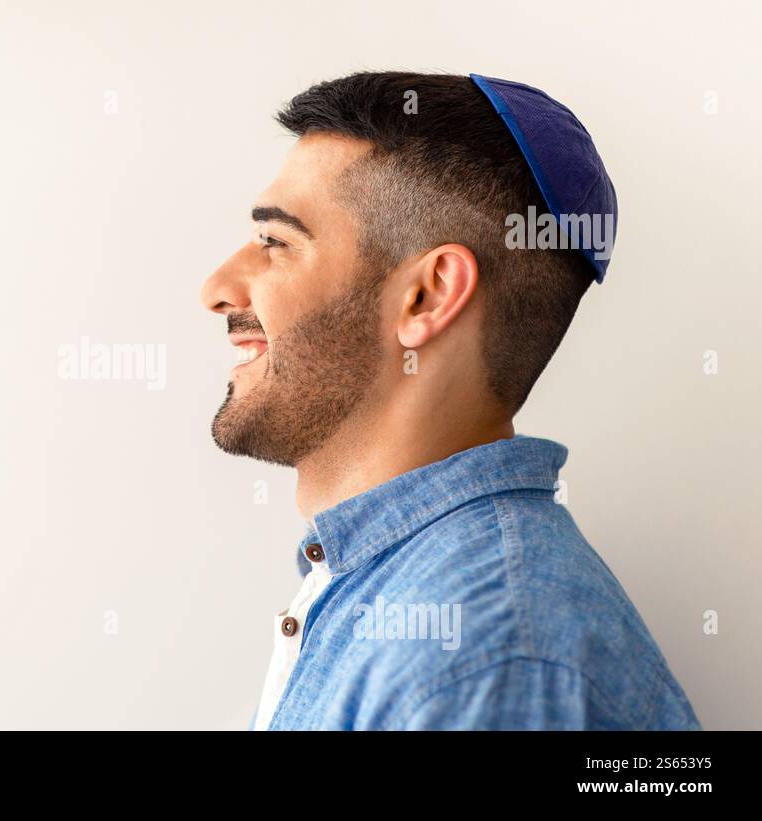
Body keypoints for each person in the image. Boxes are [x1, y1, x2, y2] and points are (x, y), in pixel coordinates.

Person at [201, 71, 700, 730]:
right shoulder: (401, 595)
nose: (216, 288)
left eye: (275, 242)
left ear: (428, 296)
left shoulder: (485, 664)